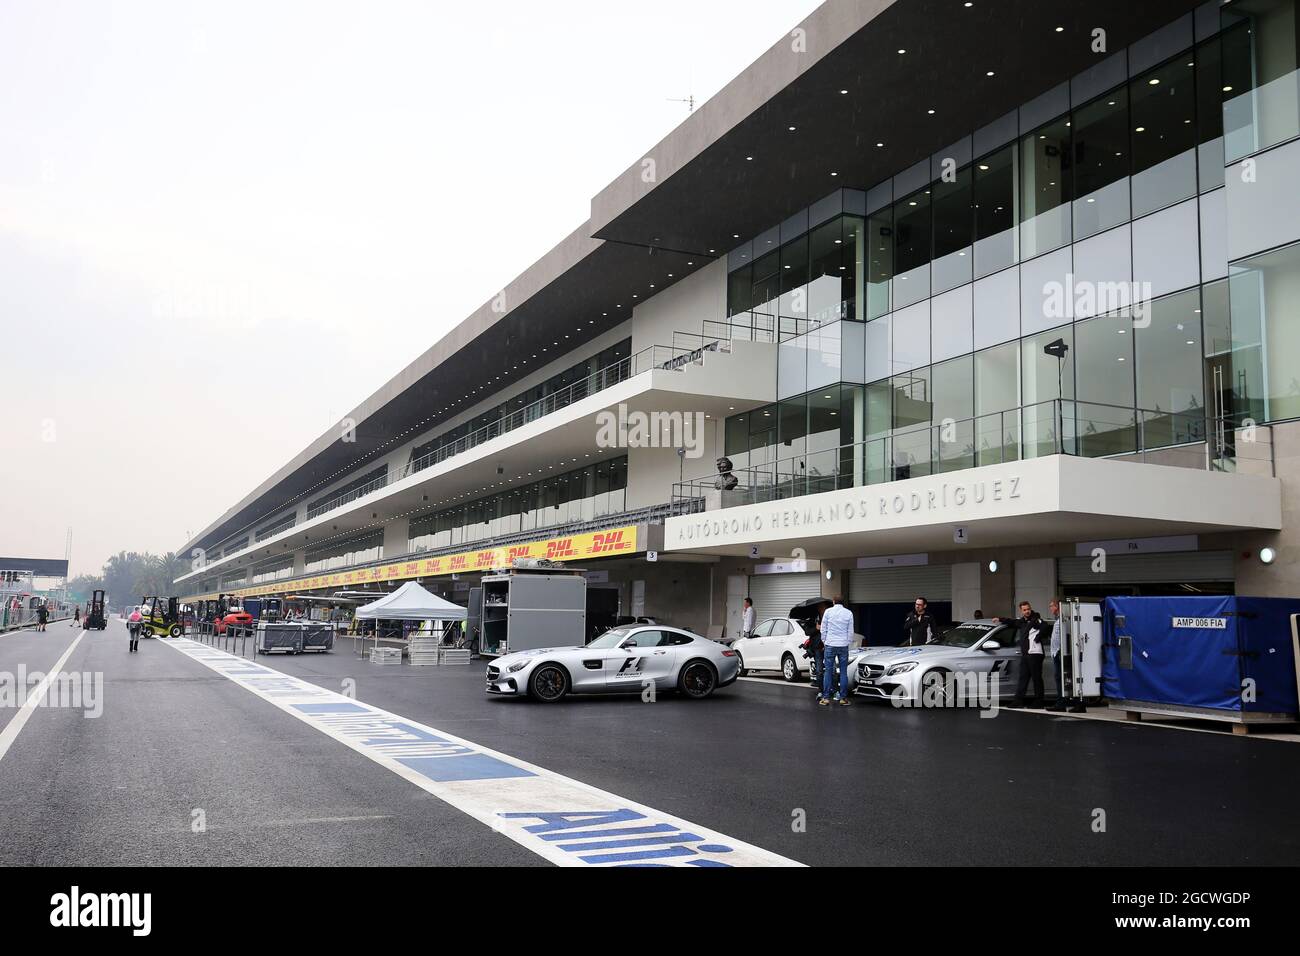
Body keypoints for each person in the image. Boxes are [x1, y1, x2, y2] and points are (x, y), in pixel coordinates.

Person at [1005, 601, 1047, 708]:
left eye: (1028, 609)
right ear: (1021, 611)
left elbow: (1044, 626)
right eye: (1024, 610)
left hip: (1035, 654)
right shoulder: (1022, 621)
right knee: (1023, 678)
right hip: (1026, 654)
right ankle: (1018, 701)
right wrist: (999, 619)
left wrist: (1038, 638)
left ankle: (1039, 702)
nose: (1027, 611)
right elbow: (1012, 622)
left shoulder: (1035, 619)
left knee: (1036, 678)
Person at [818, 596, 855, 706]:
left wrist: (825, 641)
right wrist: (847, 642)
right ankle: (843, 698)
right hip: (843, 645)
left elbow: (823, 628)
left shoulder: (828, 612)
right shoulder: (848, 613)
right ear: (842, 602)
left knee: (828, 671)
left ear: (833, 602)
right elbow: (850, 631)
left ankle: (825, 698)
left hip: (830, 644)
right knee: (843, 672)